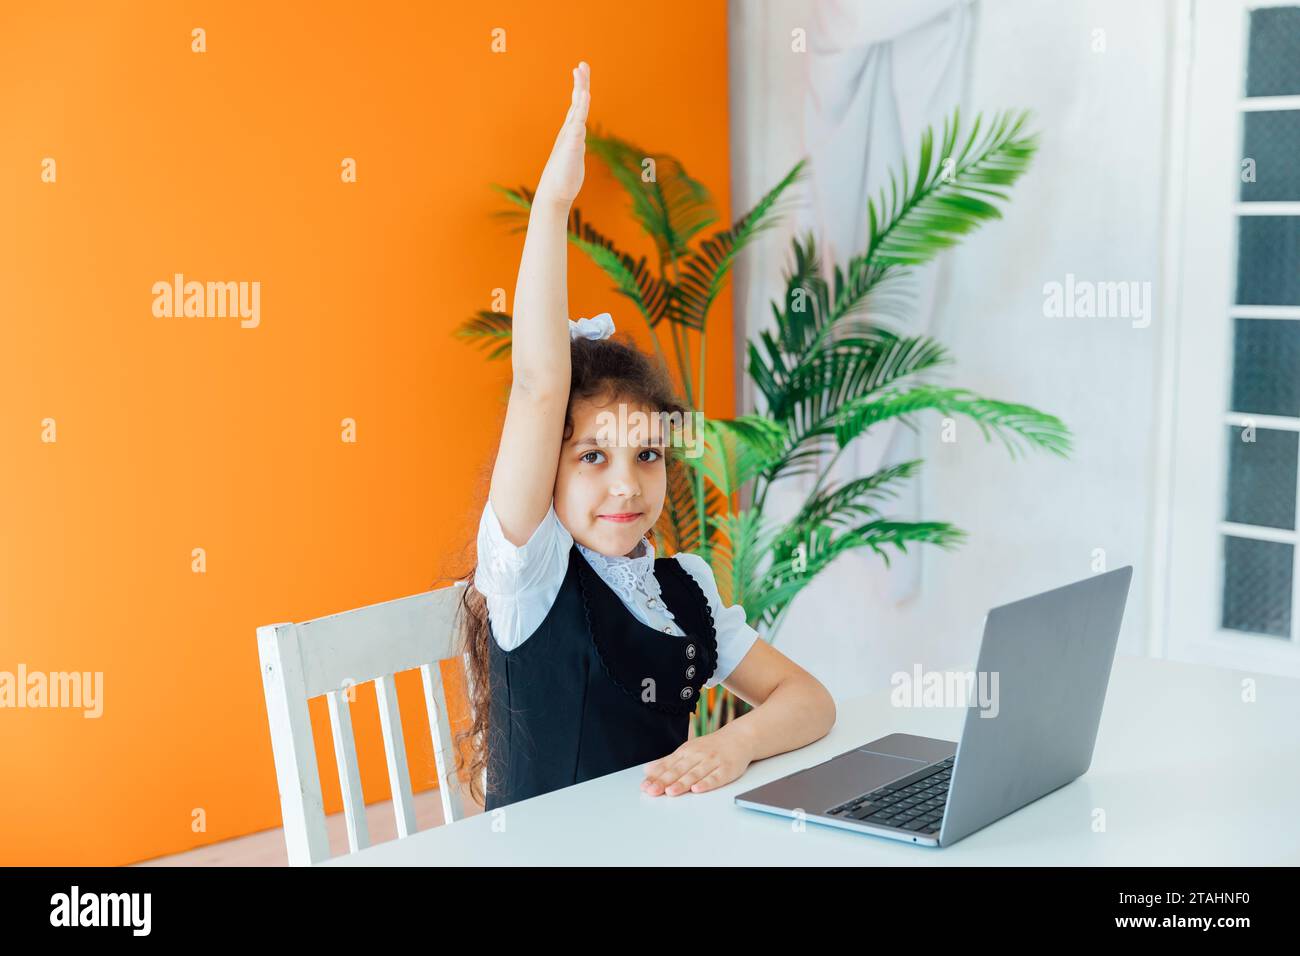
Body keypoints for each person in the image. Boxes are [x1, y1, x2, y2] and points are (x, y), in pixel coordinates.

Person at [454, 61, 835, 812]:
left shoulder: (683, 588)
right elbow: (538, 387)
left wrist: (735, 742)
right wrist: (554, 206)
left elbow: (809, 700)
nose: (626, 483)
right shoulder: (529, 577)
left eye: (648, 455)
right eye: (592, 457)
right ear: (549, 475)